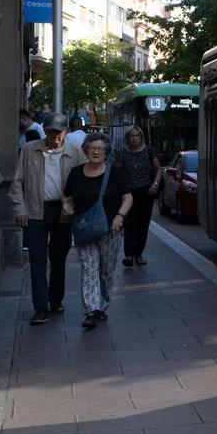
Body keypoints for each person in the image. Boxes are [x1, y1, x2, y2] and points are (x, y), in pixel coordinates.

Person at [8, 113, 85, 325]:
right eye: (51, 131)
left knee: (58, 260)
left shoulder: (75, 152)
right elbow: (17, 183)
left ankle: (55, 300)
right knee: (37, 260)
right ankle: (41, 308)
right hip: (35, 211)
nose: (55, 136)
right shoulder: (29, 149)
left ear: (65, 132)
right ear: (45, 131)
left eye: (59, 132)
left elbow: (84, 180)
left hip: (63, 213)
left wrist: (77, 207)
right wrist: (19, 209)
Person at [63, 133, 132, 330]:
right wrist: (66, 206)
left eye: (99, 149)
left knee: (106, 271)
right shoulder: (76, 173)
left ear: (106, 152)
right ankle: (91, 310)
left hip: (110, 230)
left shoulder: (114, 173)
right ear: (85, 151)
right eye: (91, 148)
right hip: (84, 230)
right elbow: (66, 196)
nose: (95, 152)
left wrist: (120, 216)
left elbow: (128, 197)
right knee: (88, 268)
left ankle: (102, 304)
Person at [114, 126, 161, 266]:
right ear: (127, 137)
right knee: (129, 224)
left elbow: (159, 169)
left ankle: (139, 253)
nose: (134, 138)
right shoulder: (122, 153)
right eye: (132, 136)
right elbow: (115, 173)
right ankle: (129, 255)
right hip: (129, 194)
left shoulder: (148, 151)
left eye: (137, 135)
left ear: (141, 137)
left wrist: (155, 184)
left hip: (146, 192)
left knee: (143, 224)